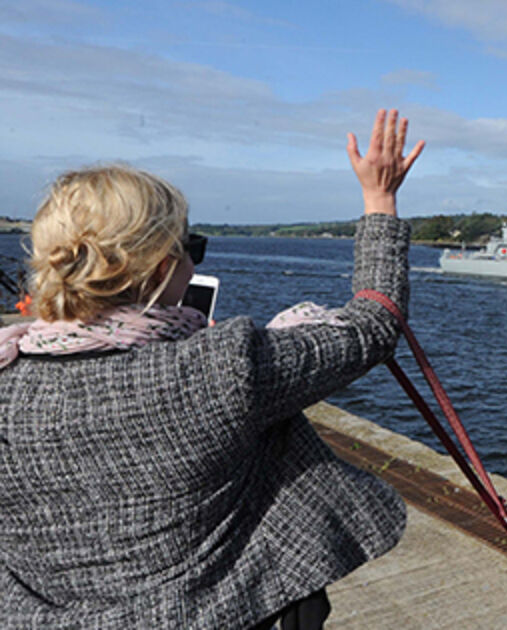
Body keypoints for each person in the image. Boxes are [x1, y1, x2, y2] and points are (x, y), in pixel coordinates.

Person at [0, 109, 424, 629]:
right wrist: (379, 201)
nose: (194, 264)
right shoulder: (220, 369)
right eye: (189, 248)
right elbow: (373, 325)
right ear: (161, 268)